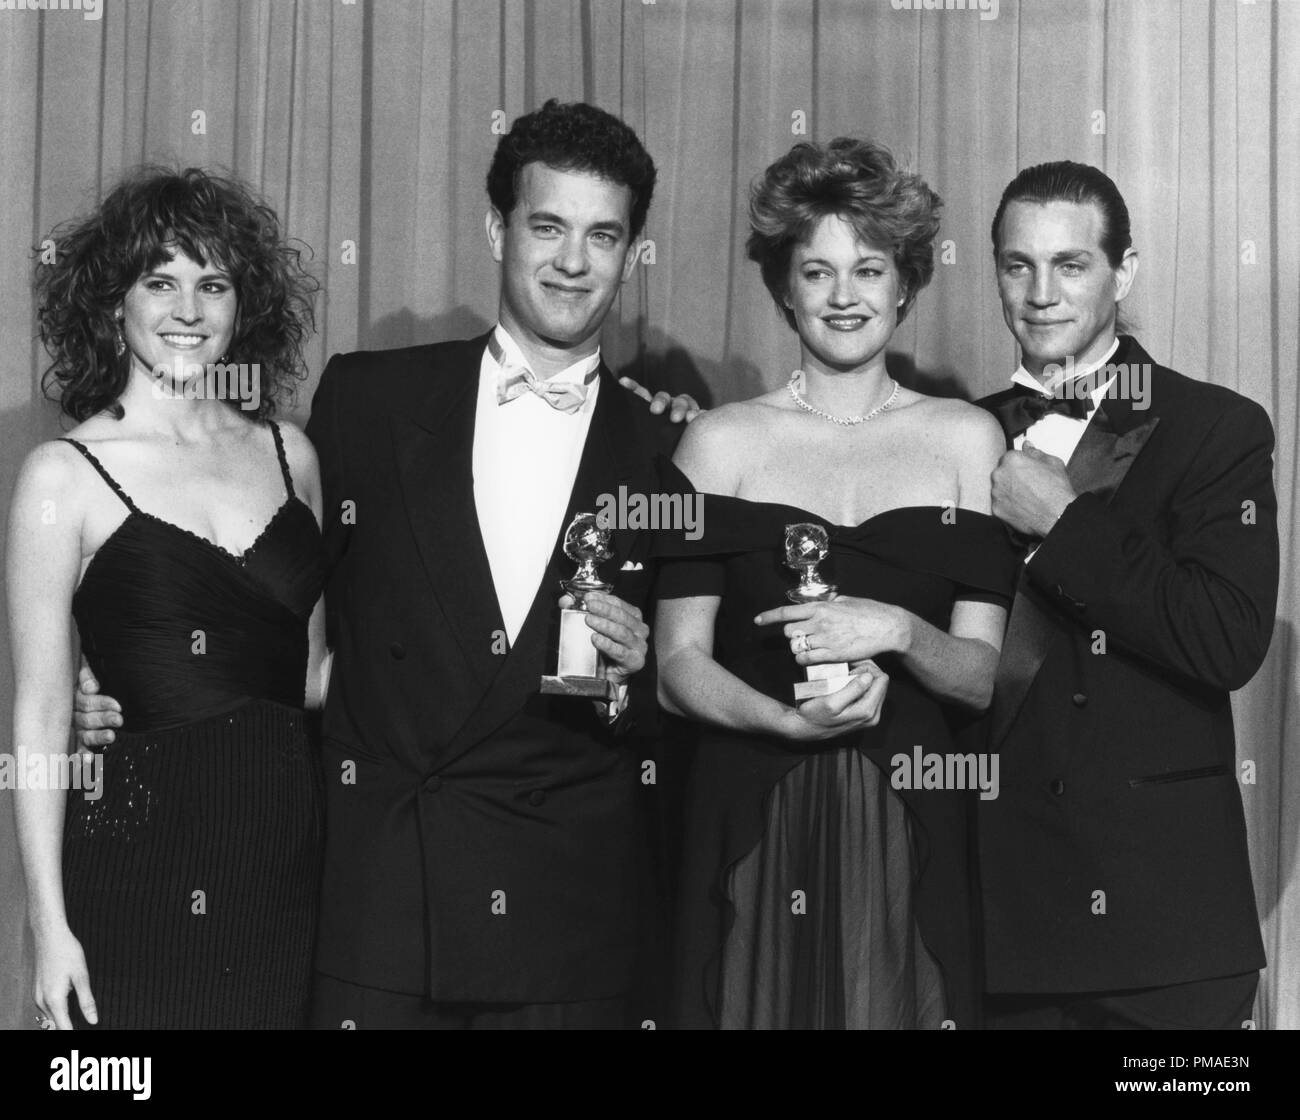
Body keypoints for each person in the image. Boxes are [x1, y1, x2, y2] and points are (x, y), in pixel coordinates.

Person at [654, 139, 1019, 1029]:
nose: (845, 296)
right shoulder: (716, 444)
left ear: (906, 283)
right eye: (818, 272)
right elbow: (675, 668)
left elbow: (979, 676)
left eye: (870, 268)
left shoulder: (968, 439)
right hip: (751, 807)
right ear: (785, 288)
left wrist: (897, 627)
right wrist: (783, 719)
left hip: (910, 818)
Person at [10, 167, 326, 1029]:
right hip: (134, 862)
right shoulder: (62, 476)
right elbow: (39, 715)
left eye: (213, 284)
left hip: (283, 864)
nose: (189, 308)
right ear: (114, 302)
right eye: (162, 281)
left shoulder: (291, 455)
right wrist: (49, 927)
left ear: (242, 304)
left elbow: (311, 678)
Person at [977, 161, 1279, 1029]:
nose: (1040, 294)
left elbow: (1227, 638)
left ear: (1125, 271)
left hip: (1168, 931)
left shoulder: (1217, 427)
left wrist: (1064, 524)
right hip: (1005, 928)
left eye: (1071, 265)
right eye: (1016, 265)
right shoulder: (955, 430)